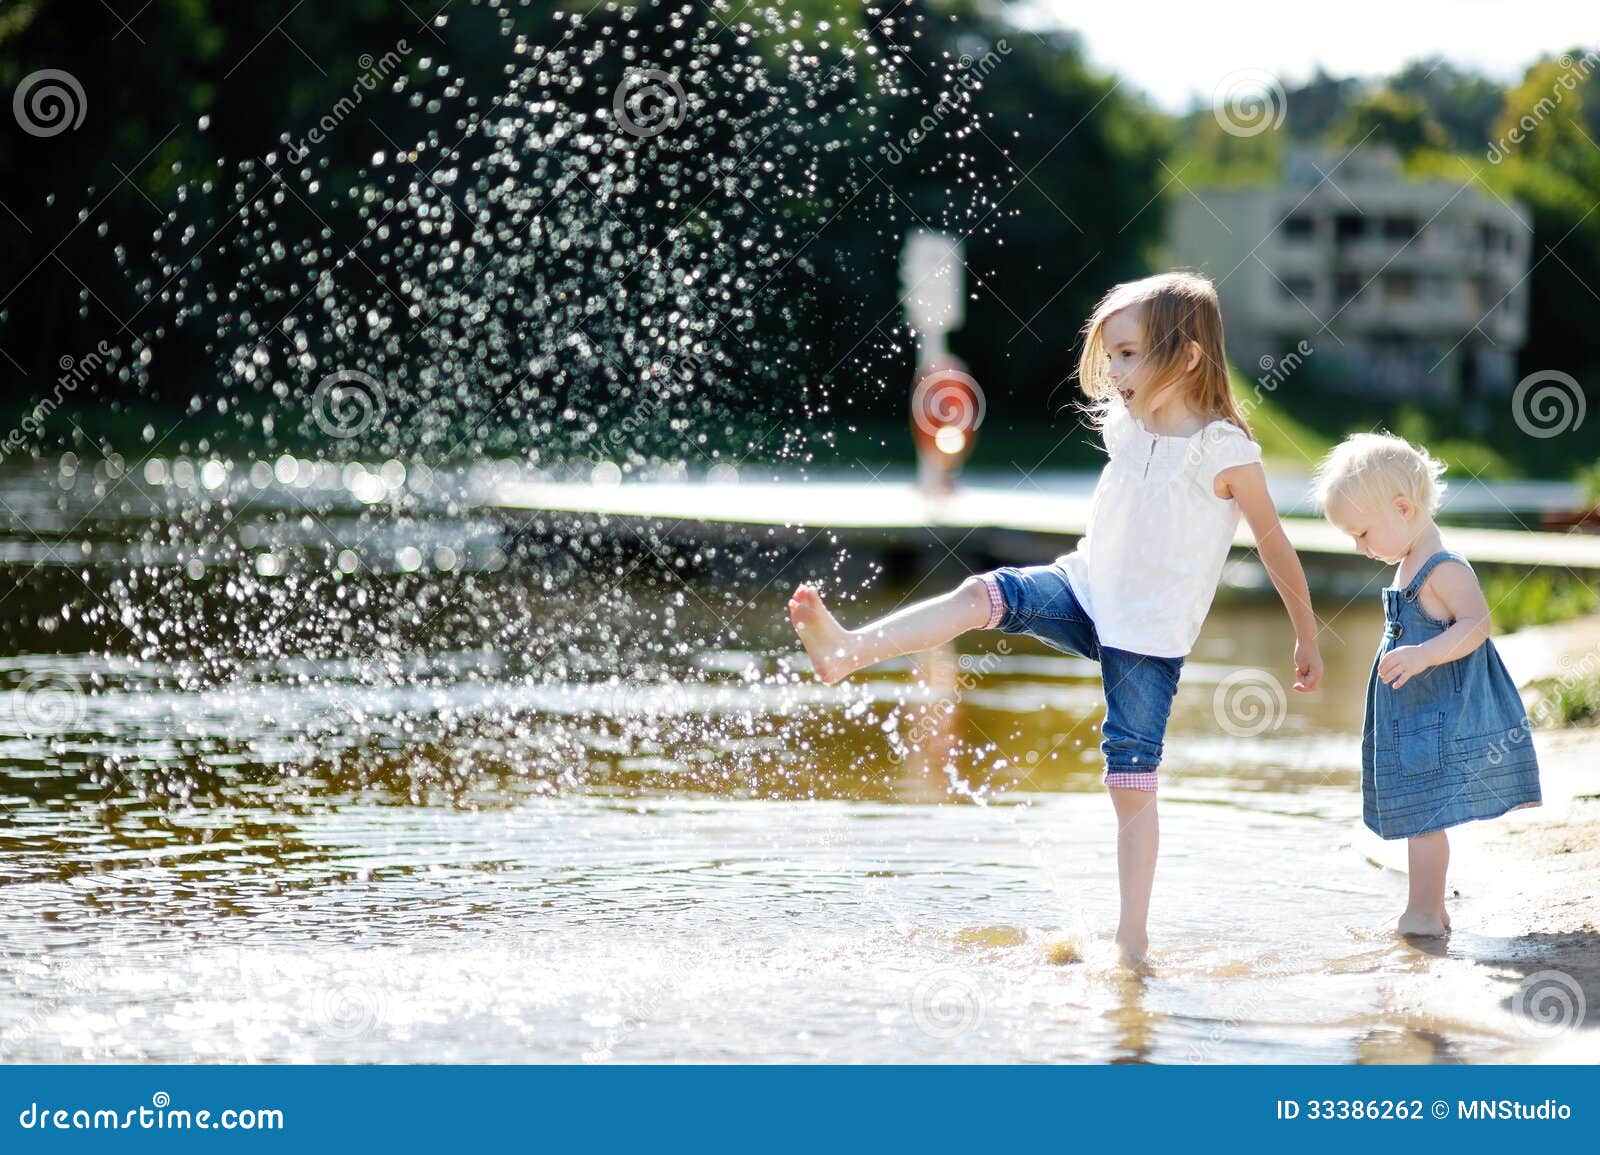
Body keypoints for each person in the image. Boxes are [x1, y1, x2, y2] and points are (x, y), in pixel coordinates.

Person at [788, 271, 1324, 963]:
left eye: (1130, 353)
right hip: (1083, 589)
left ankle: (1132, 942)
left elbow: (1275, 542)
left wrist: (1307, 632)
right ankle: (850, 649)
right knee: (982, 594)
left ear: (1188, 356)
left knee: (1128, 783)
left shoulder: (1222, 449)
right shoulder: (1128, 424)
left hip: (1148, 637)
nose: (1116, 371)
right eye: (1113, 354)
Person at [1314, 432, 1541, 937]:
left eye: (1362, 533)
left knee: (1425, 816)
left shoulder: (1444, 568)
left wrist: (1422, 654)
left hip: (1437, 719)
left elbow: (1476, 625)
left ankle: (1422, 911)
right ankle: (1431, 909)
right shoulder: (1407, 561)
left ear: (1403, 509)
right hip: (1415, 718)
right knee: (1419, 812)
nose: (1358, 546)